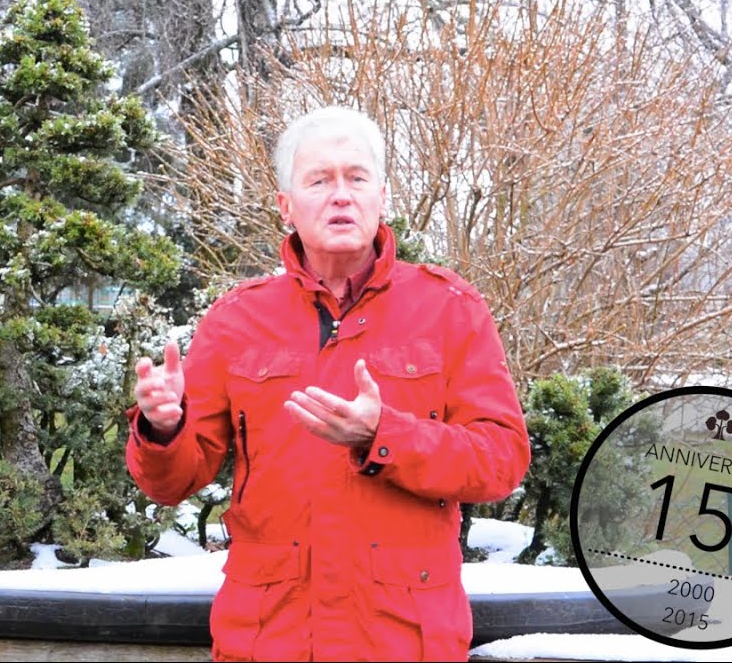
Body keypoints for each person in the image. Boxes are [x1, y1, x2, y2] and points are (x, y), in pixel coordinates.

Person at [125, 106, 530, 662]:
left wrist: (383, 434)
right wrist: (163, 428)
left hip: (405, 639)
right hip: (269, 637)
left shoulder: (449, 309)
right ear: (287, 205)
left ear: (381, 196)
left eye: (356, 178)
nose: (341, 195)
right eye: (319, 180)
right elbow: (172, 482)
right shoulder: (237, 321)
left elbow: (500, 460)